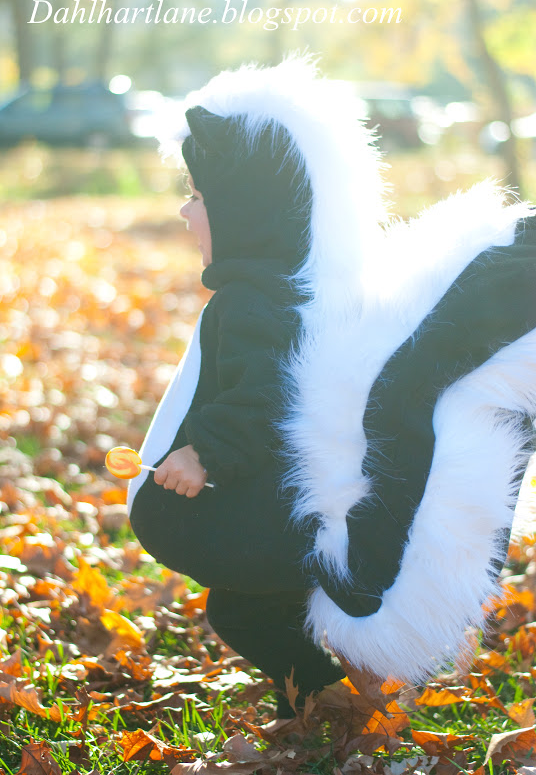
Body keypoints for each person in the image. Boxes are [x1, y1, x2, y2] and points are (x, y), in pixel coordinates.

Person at [128, 53, 536, 711]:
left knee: (244, 612)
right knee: (243, 612)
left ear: (247, 212)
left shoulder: (256, 304)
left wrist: (209, 450)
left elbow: (264, 393)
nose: (183, 210)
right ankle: (333, 698)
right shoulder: (287, 293)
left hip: (270, 504)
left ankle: (334, 696)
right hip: (288, 503)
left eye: (199, 198)